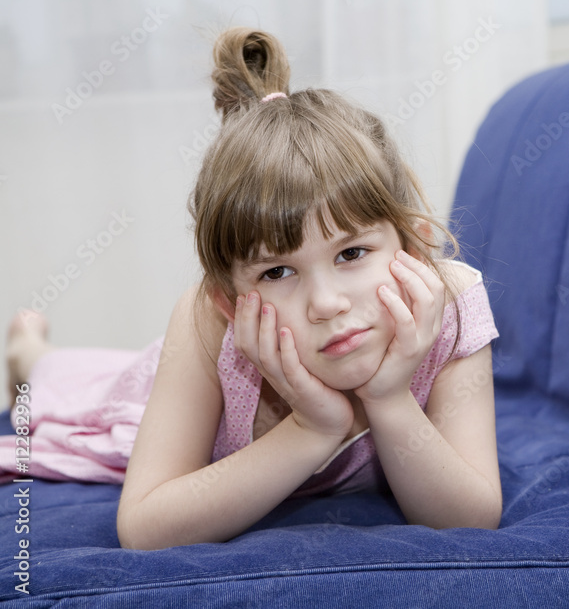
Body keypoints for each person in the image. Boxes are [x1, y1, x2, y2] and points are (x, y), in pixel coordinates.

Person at [2, 27, 502, 550]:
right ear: (227, 300)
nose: (327, 303)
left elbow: (470, 518)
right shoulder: (205, 321)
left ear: (417, 251)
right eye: (277, 272)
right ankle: (29, 352)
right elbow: (144, 528)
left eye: (352, 254)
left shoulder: (450, 308)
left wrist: (389, 397)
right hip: (154, 384)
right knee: (77, 387)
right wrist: (310, 428)